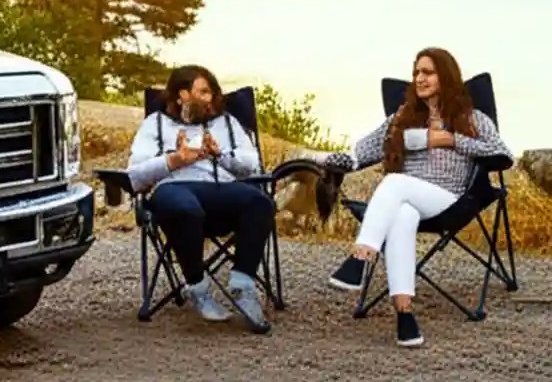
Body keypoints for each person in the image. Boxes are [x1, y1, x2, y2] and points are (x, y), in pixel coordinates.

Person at [322, 47, 513, 348]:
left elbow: (502, 153)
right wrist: (326, 160)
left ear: (445, 76)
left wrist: (451, 140)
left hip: (450, 198)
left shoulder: (471, 117)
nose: (420, 78)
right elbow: (362, 153)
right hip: (406, 199)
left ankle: (360, 257)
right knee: (402, 215)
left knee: (395, 182)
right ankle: (405, 315)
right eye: (416, 73)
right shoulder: (404, 116)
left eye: (428, 72)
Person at [124, 64, 275, 332]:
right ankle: (198, 287)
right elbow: (135, 175)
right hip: (173, 189)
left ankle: (242, 283)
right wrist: (174, 160)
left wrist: (221, 156)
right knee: (186, 209)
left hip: (220, 189)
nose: (212, 99)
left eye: (213, 93)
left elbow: (252, 166)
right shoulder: (154, 125)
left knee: (260, 202)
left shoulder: (227, 123)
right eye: (204, 92)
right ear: (182, 94)